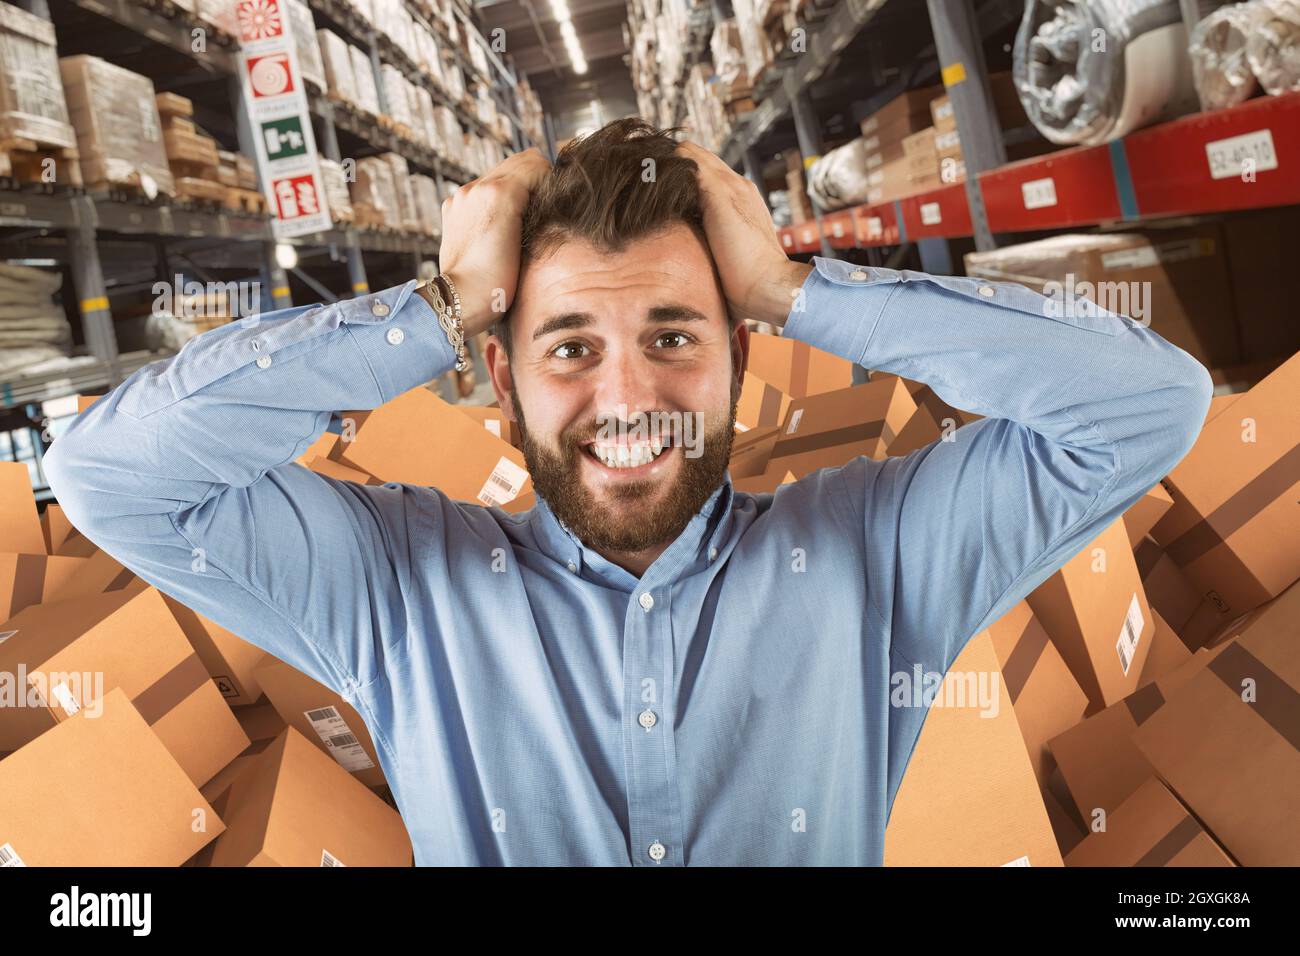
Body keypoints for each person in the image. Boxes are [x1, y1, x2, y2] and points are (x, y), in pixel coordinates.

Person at [44, 118, 1212, 866]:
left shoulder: (877, 555)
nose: (626, 394)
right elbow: (108, 472)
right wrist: (439, 305)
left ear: (741, 352)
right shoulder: (396, 589)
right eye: (567, 348)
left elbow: (1147, 402)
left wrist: (796, 287)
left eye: (672, 333)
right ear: (495, 373)